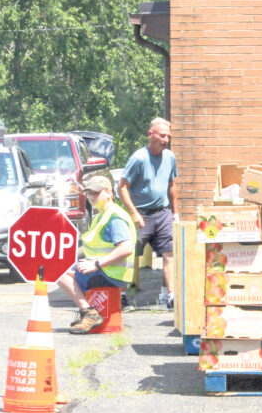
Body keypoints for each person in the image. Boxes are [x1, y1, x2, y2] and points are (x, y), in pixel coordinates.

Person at [56, 175, 137, 334]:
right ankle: (90, 312)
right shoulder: (101, 216)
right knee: (64, 269)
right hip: (106, 270)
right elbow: (92, 247)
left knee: (58, 272)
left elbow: (126, 248)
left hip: (110, 273)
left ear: (108, 193)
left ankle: (89, 313)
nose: (91, 197)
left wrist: (96, 264)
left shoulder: (114, 217)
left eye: (95, 192)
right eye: (88, 193)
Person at [117, 117, 178, 309]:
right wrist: (133, 213)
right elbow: (122, 187)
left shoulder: (170, 157)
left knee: (170, 254)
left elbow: (172, 185)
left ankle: (171, 296)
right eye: (162, 135)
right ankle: (122, 295)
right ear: (150, 134)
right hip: (141, 215)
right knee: (128, 254)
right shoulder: (139, 158)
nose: (165, 139)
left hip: (163, 214)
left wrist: (175, 213)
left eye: (168, 136)